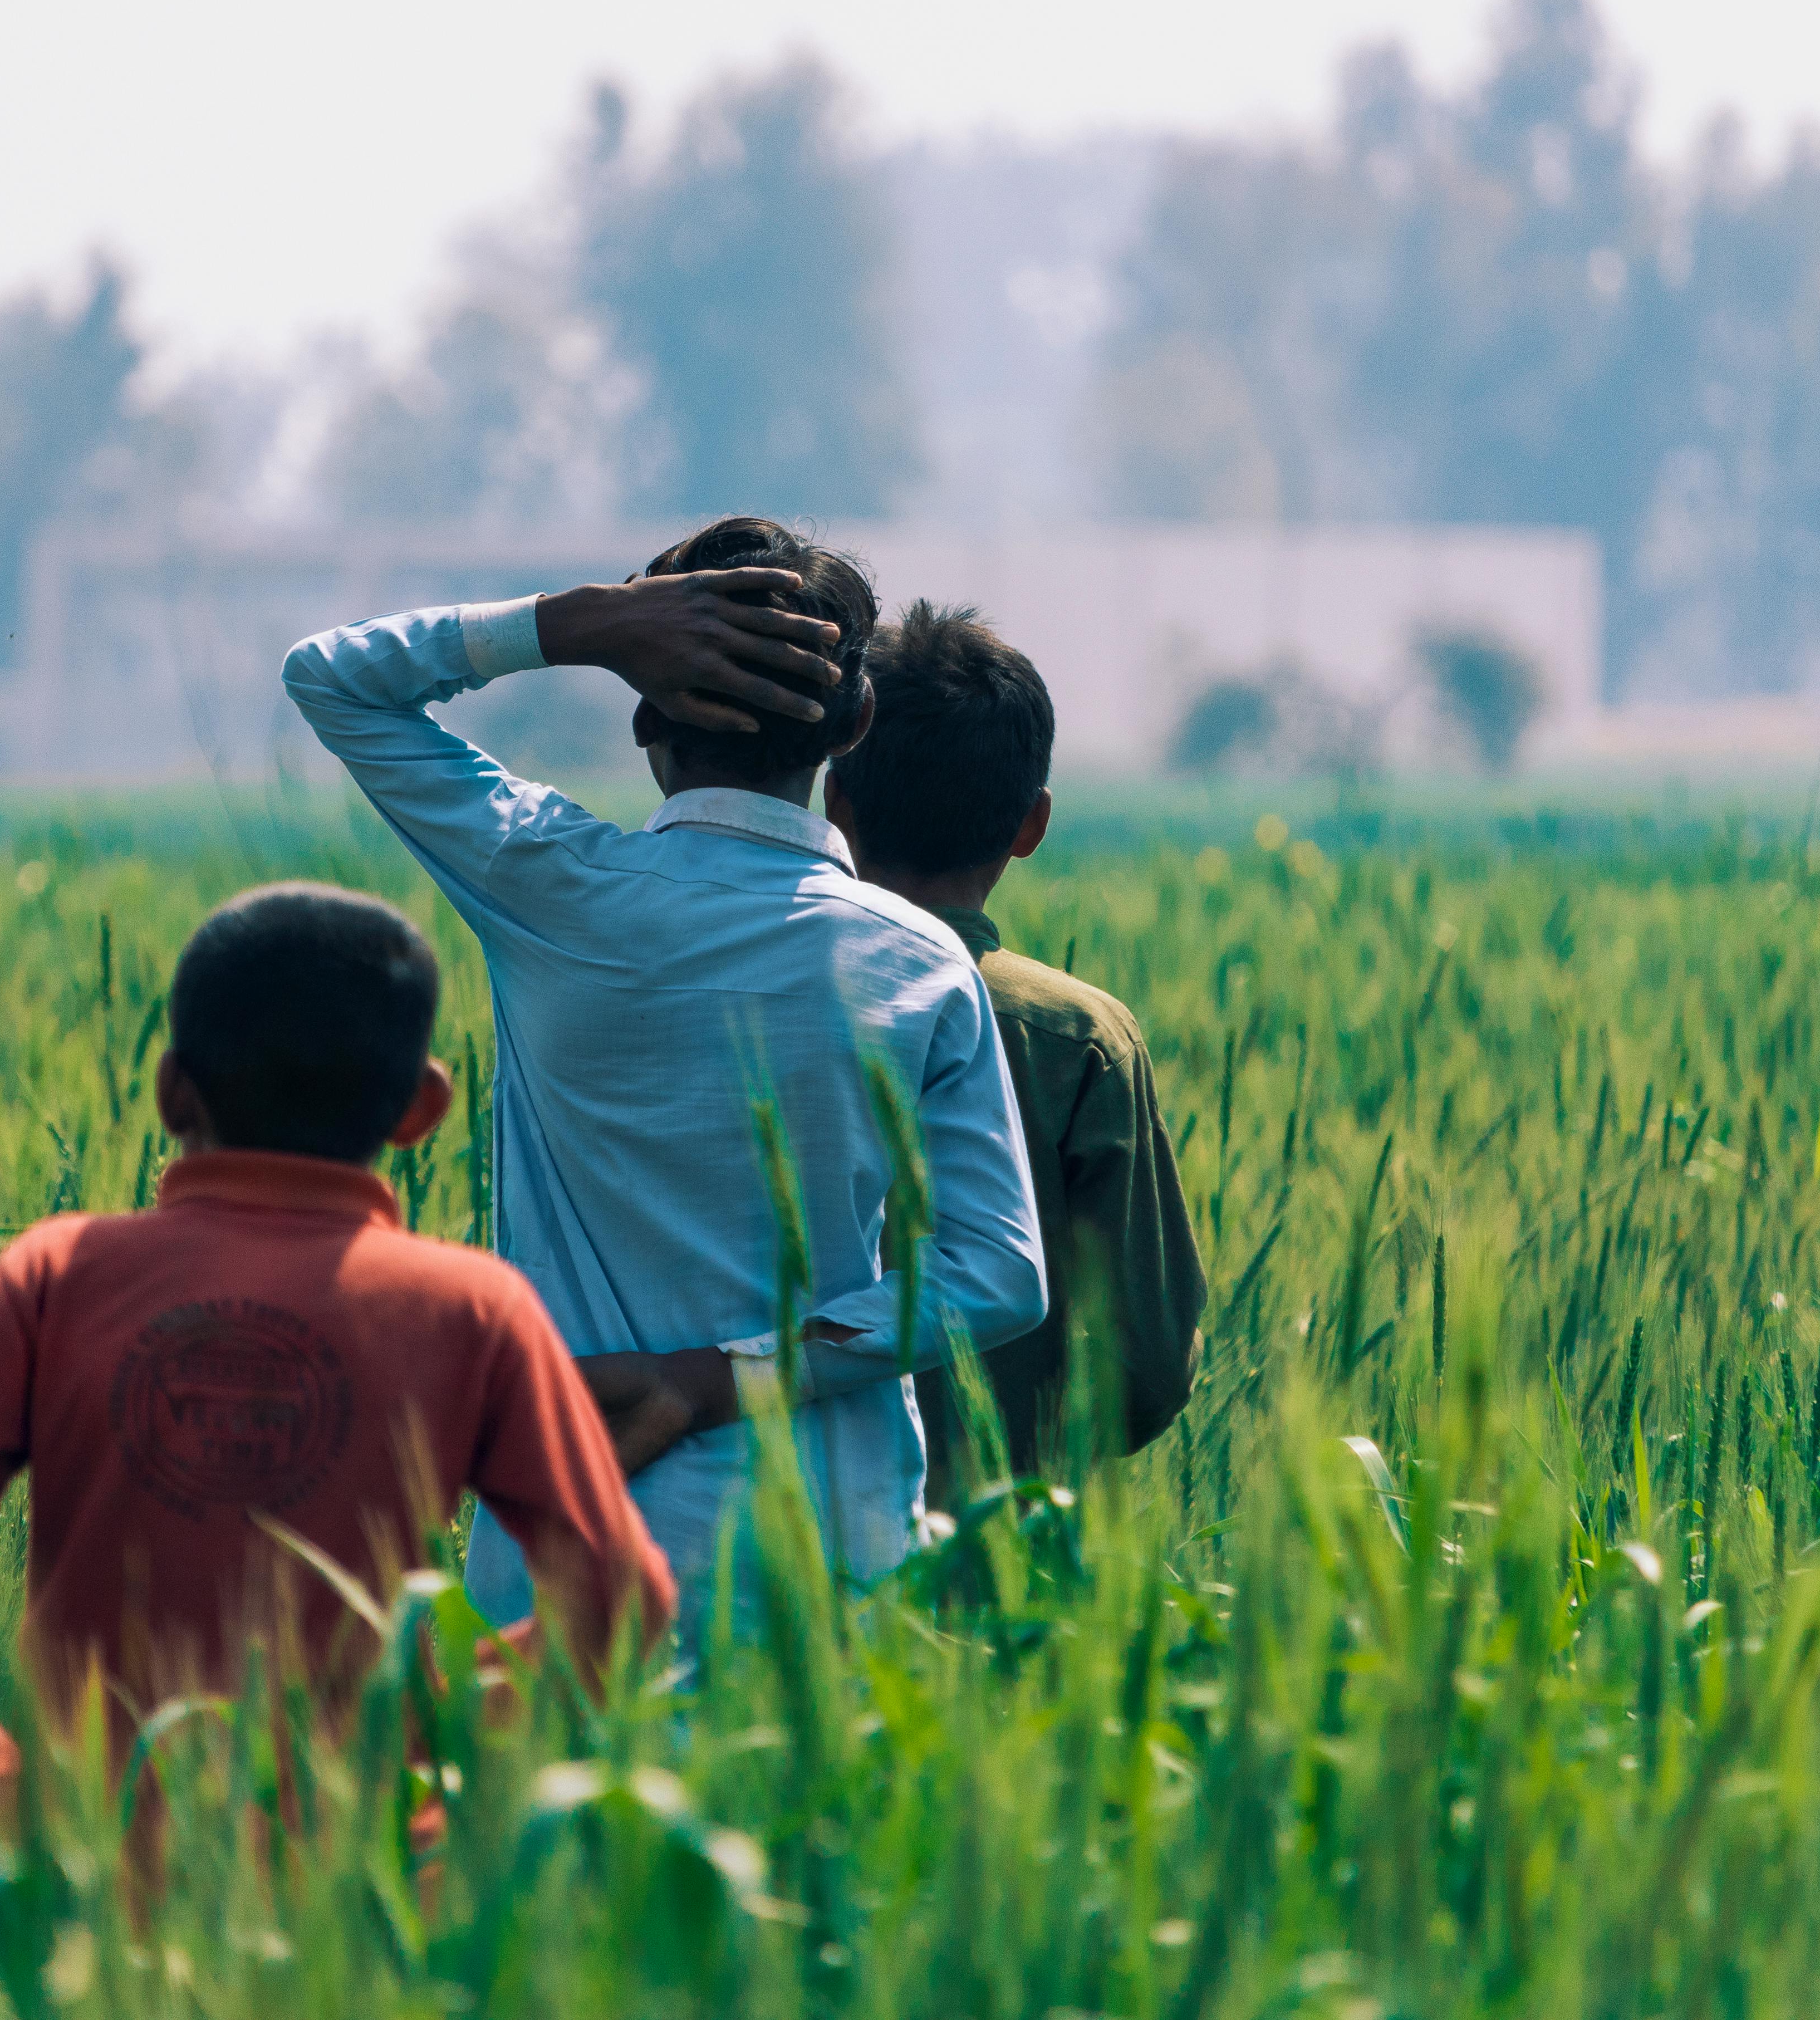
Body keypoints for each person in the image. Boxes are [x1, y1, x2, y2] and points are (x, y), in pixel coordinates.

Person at [281, 517, 1048, 1632]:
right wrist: (710, 1379)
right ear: (859, 722)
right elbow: (997, 1278)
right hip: (829, 1557)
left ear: (642, 707)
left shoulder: (544, 882)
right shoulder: (918, 959)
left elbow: (333, 678)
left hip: (564, 1550)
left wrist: (580, 624)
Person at [0, 884, 674, 1837]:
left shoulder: (57, 1274)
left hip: (96, 1895)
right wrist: (429, 1733)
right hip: (368, 1891)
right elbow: (619, 1595)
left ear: (171, 1089)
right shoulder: (471, 1309)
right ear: (421, 1109)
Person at [823, 602, 1204, 1494]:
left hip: (751, 1537)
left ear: (834, 802)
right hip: (992, 1552)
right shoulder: (1079, 1040)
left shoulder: (742, 991)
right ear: (1031, 824)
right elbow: (1143, 1369)